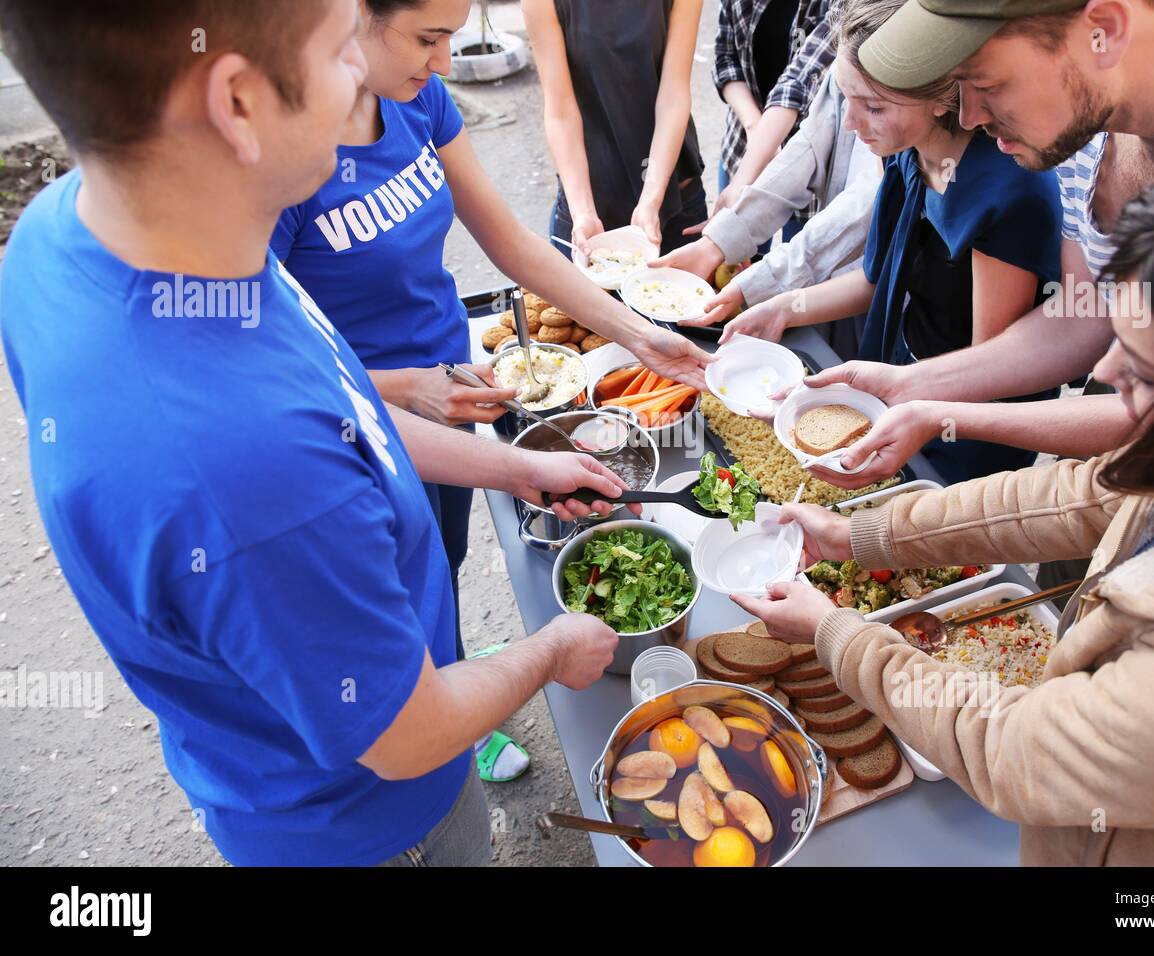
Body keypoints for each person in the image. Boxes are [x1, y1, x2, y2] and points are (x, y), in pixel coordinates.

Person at [0, 0, 631, 867]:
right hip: (373, 827)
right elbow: (406, 737)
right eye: (341, 51)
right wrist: (553, 646)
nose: (363, 83)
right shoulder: (248, 472)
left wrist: (508, 469)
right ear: (238, 103)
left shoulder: (78, 230)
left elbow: (344, 414)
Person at [735, 141, 1154, 866]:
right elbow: (1068, 497)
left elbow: (1011, 751)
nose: (1101, 370)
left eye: (1147, 371)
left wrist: (835, 632)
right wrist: (859, 536)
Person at [274, 0, 692, 783]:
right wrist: (402, 388)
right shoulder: (288, 154)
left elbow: (508, 239)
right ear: (352, 15)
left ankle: (454, 676)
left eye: (453, 40)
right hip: (354, 417)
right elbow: (268, 368)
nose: (442, 63)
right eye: (428, 38)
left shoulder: (416, 96)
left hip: (453, 388)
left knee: (442, 558)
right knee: (387, 583)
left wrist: (638, 332)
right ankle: (435, 733)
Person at [798, 0, 1154, 489]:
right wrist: (912, 386)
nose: (968, 116)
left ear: (1104, 28)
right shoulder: (1085, 108)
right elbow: (1084, 314)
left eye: (986, 83)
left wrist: (946, 416)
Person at [712, 0, 1066, 484]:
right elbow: (877, 278)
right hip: (903, 374)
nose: (852, 125)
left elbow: (989, 365)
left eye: (874, 107)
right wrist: (781, 308)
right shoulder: (910, 153)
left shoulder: (1004, 190)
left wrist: (905, 410)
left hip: (960, 425)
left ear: (945, 96)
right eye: (845, 99)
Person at [654, 68, 884, 359]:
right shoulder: (850, 56)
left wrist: (762, 283)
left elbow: (865, 207)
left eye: (874, 106)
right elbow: (809, 145)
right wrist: (715, 244)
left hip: (883, 297)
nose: (849, 122)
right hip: (829, 284)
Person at [524, 0, 707, 254]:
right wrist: (583, 212)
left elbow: (673, 96)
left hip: (671, 196)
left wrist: (650, 201)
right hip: (586, 202)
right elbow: (561, 111)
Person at [712, 0, 839, 246]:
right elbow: (725, 59)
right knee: (735, 260)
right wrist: (753, 127)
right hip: (743, 148)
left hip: (812, 166)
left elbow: (798, 81)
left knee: (798, 268)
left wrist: (744, 177)